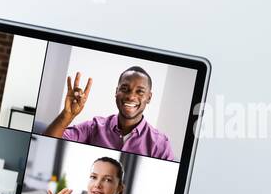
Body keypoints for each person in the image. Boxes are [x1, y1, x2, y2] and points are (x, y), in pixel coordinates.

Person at [42, 67, 176, 161]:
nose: (130, 96)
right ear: (116, 92)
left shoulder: (160, 144)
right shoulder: (94, 127)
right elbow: (47, 144)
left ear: (149, 97)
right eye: (125, 89)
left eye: (140, 91)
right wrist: (67, 115)